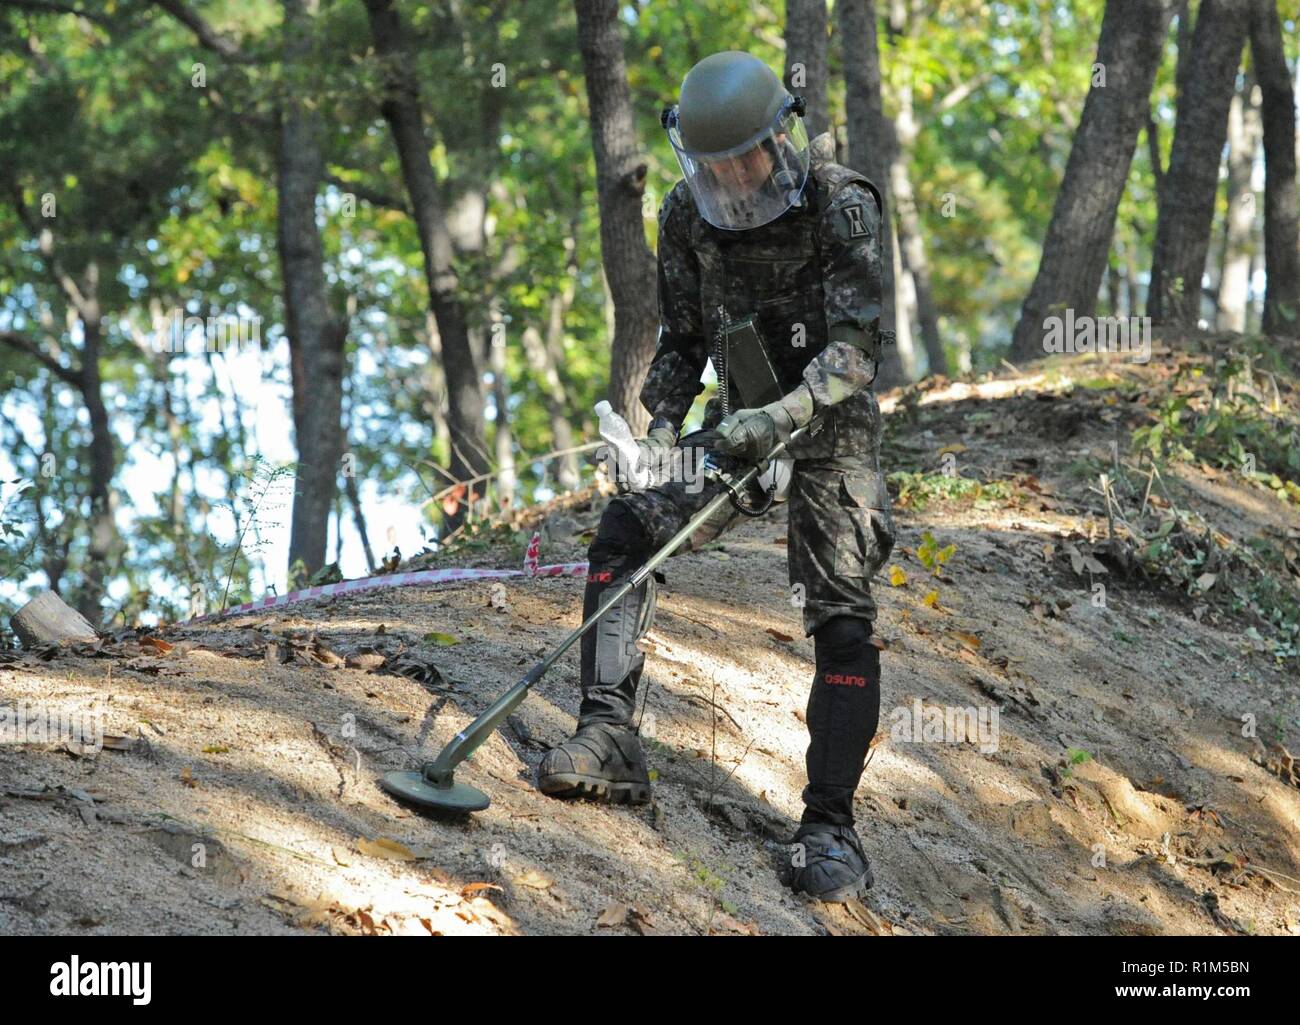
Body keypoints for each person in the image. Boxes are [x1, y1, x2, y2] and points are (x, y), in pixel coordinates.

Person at [537, 50, 894, 903]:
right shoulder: (684, 217)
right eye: (717, 165)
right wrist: (656, 428)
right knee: (627, 527)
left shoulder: (841, 204)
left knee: (841, 613)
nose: (735, 177)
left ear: (782, 139)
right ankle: (609, 735)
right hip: (737, 423)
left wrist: (780, 419)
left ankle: (829, 828)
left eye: (748, 158)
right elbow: (682, 340)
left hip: (826, 430)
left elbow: (854, 353)